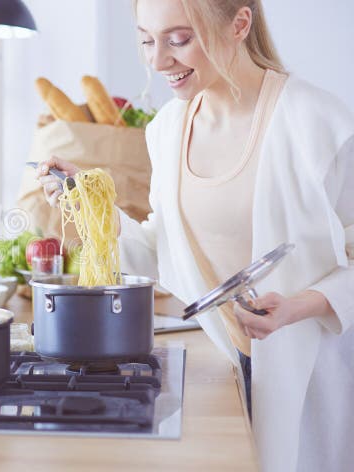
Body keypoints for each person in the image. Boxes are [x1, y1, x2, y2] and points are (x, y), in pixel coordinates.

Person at [36, 1, 353, 471]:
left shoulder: (318, 123)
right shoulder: (166, 130)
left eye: (179, 40)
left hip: (305, 374)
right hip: (220, 367)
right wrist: (90, 202)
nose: (157, 60)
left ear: (240, 25)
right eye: (147, 39)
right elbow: (161, 254)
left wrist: (300, 305)